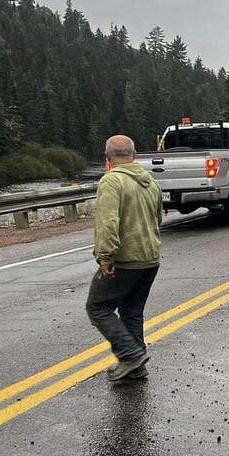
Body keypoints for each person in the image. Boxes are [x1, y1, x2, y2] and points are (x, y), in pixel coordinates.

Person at [87, 135, 163, 382]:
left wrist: (105, 257)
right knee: (131, 311)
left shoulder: (111, 181)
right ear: (135, 154)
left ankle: (129, 354)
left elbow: (108, 223)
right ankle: (135, 367)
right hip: (150, 257)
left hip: (126, 259)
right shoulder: (150, 181)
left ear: (107, 157)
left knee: (98, 307)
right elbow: (158, 219)